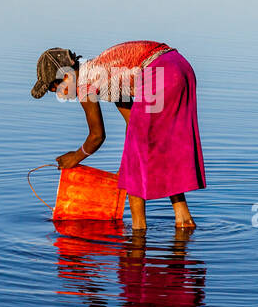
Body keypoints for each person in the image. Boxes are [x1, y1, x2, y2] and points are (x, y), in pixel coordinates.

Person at [30, 41, 205, 231]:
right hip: (179, 66)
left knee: (133, 161)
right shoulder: (105, 70)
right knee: (154, 146)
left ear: (66, 76)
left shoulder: (84, 85)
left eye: (53, 88)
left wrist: (75, 157)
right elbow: (133, 125)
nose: (58, 93)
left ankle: (138, 230)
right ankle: (183, 218)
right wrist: (126, 166)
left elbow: (97, 136)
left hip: (159, 72)